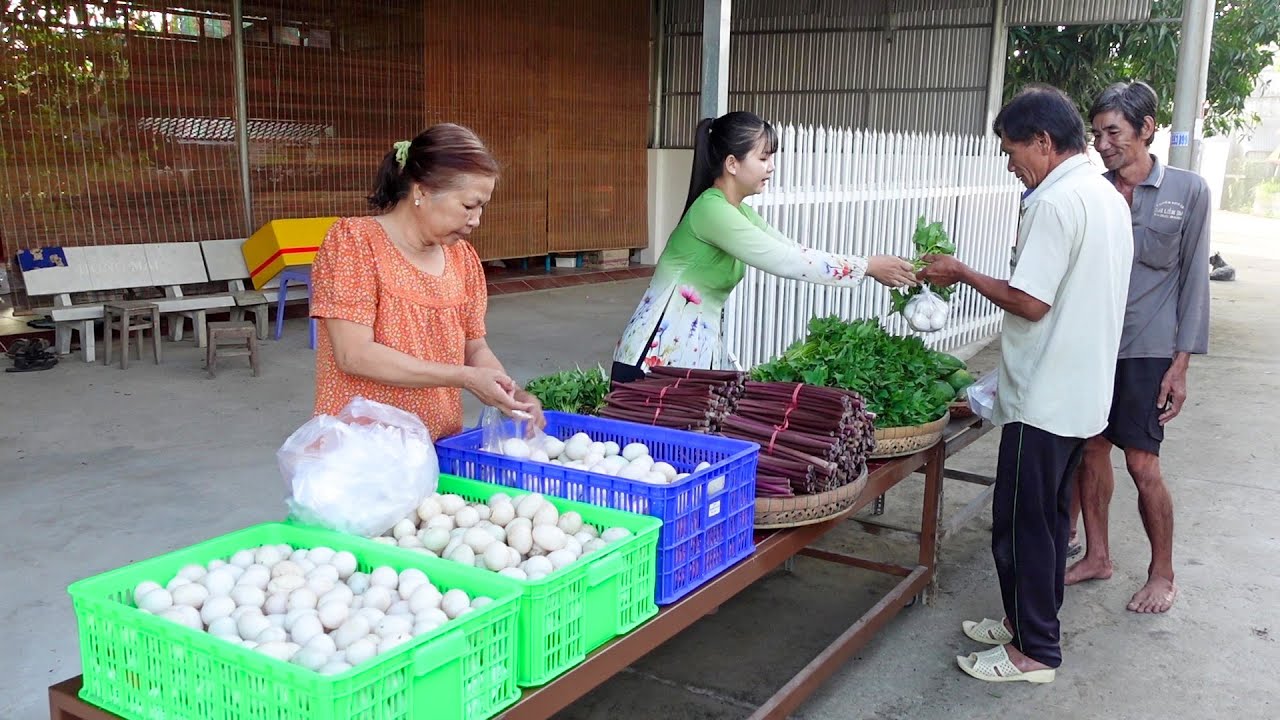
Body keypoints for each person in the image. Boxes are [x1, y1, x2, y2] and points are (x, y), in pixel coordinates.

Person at [918, 85, 1133, 683]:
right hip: (1082, 392)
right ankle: (1025, 623)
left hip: (1044, 400)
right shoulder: (1105, 194)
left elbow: (1030, 302)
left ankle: (1034, 652)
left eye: (1014, 152)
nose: (1012, 166)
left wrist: (960, 271)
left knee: (1022, 528)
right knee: (1046, 521)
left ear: (1043, 142)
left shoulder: (1054, 202)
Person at [610, 111, 917, 382]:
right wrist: (867, 266)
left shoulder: (738, 212)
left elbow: (794, 250)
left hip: (687, 362)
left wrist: (875, 266)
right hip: (652, 363)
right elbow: (785, 261)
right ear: (732, 163)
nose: (771, 167)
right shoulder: (711, 211)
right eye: (763, 158)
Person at [1064, 81, 1211, 614]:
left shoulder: (1188, 192)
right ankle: (1098, 556)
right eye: (1097, 134)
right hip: (1093, 345)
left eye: (1115, 133)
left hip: (1148, 348)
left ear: (1147, 129)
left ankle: (1162, 573)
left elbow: (1195, 278)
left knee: (1144, 465)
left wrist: (1181, 364)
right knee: (1091, 450)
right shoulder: (1093, 191)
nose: (1103, 145)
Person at [310, 123, 545, 441]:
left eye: (482, 208)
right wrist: (465, 377)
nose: (476, 220)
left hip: (436, 447)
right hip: (361, 453)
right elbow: (354, 354)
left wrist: (510, 393)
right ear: (421, 191)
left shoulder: (463, 259)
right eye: (468, 206)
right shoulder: (355, 244)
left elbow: (474, 348)